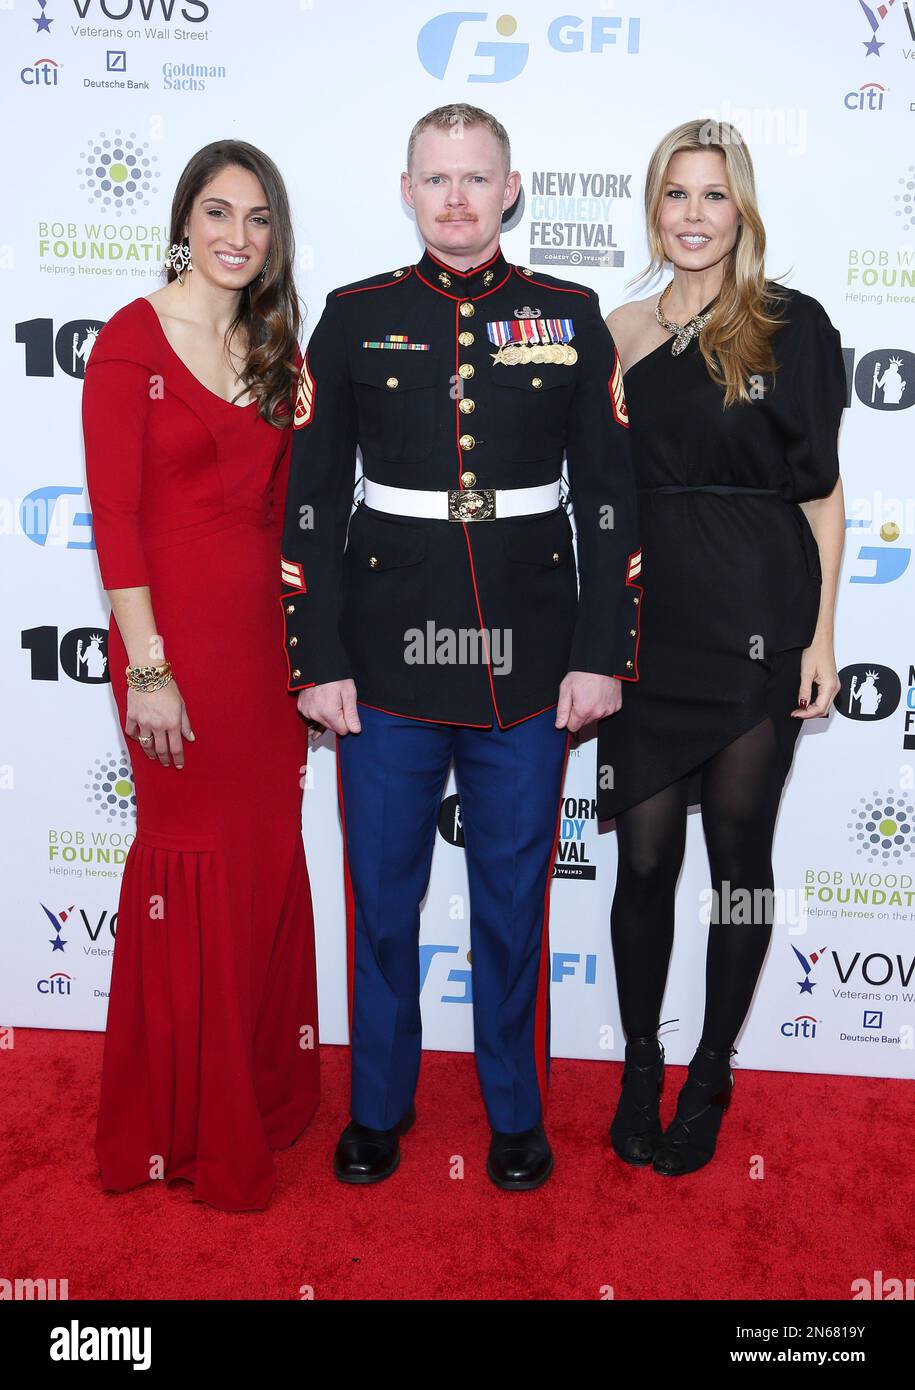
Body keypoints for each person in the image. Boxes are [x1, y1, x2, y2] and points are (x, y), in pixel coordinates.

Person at [281, 103, 640, 1190]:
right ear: (405, 189)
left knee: (512, 902)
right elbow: (308, 502)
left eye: (476, 178)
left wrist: (602, 650)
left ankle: (515, 1113)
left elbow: (611, 502)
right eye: (436, 178)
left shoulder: (570, 314)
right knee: (381, 899)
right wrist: (318, 657)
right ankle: (378, 1107)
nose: (456, 198)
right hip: (384, 662)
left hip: (530, 664)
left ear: (512, 187)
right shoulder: (352, 317)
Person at [598, 119, 846, 1176]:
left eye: (712, 195)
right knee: (645, 857)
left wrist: (822, 637)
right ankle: (640, 1064)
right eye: (675, 195)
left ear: (740, 206)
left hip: (758, 615)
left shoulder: (791, 325)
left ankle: (710, 1071)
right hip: (655, 624)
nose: (693, 215)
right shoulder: (619, 329)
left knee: (738, 861)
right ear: (653, 209)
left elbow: (825, 497)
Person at [82, 140, 319, 1211]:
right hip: (174, 661)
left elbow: (289, 519)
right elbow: (117, 521)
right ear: (183, 222)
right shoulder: (130, 343)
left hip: (266, 664)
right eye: (218, 213)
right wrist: (149, 670)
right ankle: (180, 1124)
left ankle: (258, 1098)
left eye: (258, 219)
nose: (238, 236)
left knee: (263, 868)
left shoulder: (279, 351)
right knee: (190, 876)